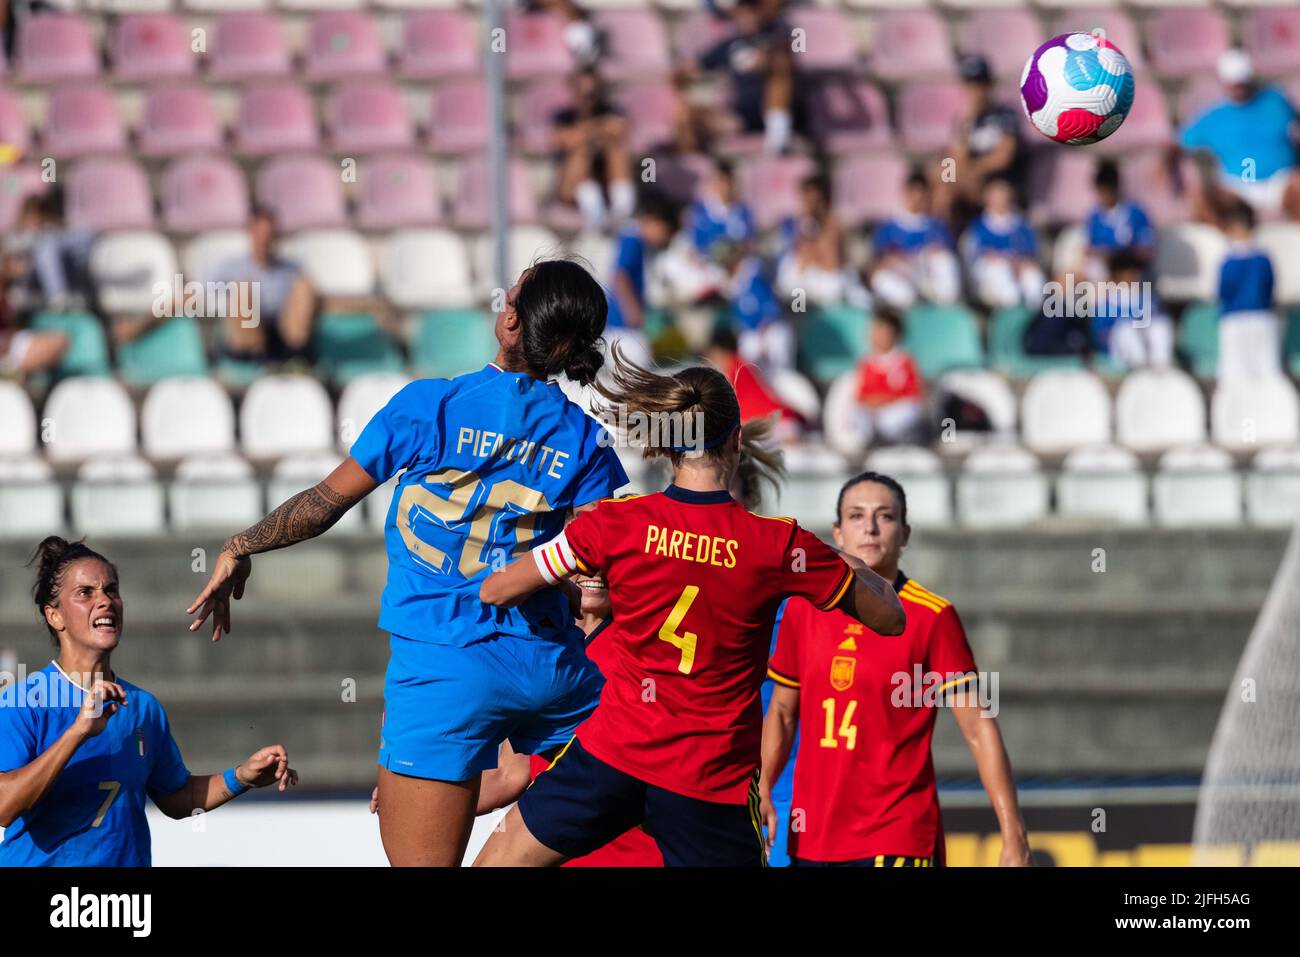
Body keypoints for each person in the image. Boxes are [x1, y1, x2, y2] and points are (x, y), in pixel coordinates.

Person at [186, 259, 629, 867]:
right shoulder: (586, 438)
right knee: (653, 776)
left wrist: (241, 546)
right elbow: (602, 564)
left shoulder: (430, 405)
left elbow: (321, 505)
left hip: (444, 669)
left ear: (509, 320)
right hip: (553, 674)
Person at [472, 349, 905, 866]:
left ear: (668, 445)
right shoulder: (777, 546)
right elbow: (891, 618)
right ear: (738, 442)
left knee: (499, 862)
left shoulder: (615, 524)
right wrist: (840, 562)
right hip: (709, 780)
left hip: (614, 756)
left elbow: (496, 591)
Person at [761, 473, 1030, 867]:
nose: (869, 527)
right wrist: (763, 788)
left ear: (904, 533)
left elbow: (978, 727)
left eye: (884, 516)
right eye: (856, 516)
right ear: (837, 531)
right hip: (812, 839)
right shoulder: (804, 610)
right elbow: (782, 713)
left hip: (896, 836)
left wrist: (1014, 834)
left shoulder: (932, 616)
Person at [0, 537, 297, 866]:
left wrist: (240, 777)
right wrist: (78, 732)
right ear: (54, 616)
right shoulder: (24, 702)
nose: (105, 601)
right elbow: (4, 806)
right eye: (86, 593)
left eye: (111, 590)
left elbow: (175, 797)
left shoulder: (142, 706)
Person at [1180, 50, 1300, 223]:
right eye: (1235, 84)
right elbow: (1182, 142)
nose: (1240, 88)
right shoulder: (1215, 117)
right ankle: (1231, 245)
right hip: (1238, 186)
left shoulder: (1275, 100)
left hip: (1280, 183)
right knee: (1200, 200)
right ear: (1225, 83)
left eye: (1242, 82)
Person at [677, 0, 795, 155]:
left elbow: (786, 57)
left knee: (779, 77)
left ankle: (777, 140)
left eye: (751, 8)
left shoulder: (778, 32)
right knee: (687, 114)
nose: (745, 14)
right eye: (741, 9)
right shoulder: (730, 45)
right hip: (741, 117)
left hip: (775, 110)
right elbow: (692, 69)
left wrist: (766, 59)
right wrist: (679, 81)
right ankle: (694, 166)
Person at [208, 206, 317, 366]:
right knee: (242, 289)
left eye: (269, 235)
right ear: (251, 233)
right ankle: (251, 355)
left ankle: (296, 355)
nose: (264, 240)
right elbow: (202, 295)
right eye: (260, 234)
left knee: (304, 286)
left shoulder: (292, 268)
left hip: (283, 332)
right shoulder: (231, 267)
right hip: (246, 336)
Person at [937, 55, 1025, 226]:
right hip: (969, 180)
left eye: (979, 85)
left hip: (997, 179)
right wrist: (968, 121)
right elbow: (954, 158)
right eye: (969, 85)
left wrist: (974, 171)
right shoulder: (963, 120)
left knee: (997, 193)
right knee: (943, 184)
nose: (974, 91)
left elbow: (1003, 157)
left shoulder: (1005, 115)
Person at [551, 67, 635, 231]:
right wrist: (598, 130)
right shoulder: (563, 116)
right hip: (573, 185)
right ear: (574, 91)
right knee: (581, 151)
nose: (588, 98)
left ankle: (622, 207)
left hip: (606, 180)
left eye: (592, 93)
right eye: (584, 93)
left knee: (616, 149)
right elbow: (565, 140)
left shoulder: (611, 110)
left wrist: (588, 131)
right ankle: (597, 216)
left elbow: (621, 129)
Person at [869, 169, 961, 310]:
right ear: (905, 194)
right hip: (902, 277)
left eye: (921, 195)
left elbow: (946, 258)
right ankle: (913, 308)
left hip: (929, 277)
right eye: (913, 194)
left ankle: (946, 308)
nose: (917, 200)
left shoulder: (938, 227)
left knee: (945, 261)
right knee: (881, 278)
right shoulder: (887, 228)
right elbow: (877, 263)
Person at [605, 195, 678, 368]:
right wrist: (633, 310)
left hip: (623, 329)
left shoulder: (636, 242)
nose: (663, 239)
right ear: (654, 222)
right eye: (664, 231)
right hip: (622, 329)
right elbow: (620, 276)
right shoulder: (632, 241)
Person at [704, 325, 804, 442]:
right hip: (782, 420)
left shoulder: (732, 368)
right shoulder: (742, 363)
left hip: (771, 424)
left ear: (718, 350)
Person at [1216, 200, 1279, 379]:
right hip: (1249, 320)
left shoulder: (1230, 262)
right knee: (1244, 373)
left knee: (1262, 373)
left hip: (1246, 321)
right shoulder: (1263, 259)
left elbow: (1223, 291)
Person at [964, 174, 1045, 310]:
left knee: (1033, 276)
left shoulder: (1023, 226)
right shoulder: (977, 228)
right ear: (986, 196)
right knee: (998, 269)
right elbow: (973, 259)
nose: (1000, 197)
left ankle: (1032, 315)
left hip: (1019, 271)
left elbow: (1033, 255)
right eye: (995, 192)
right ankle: (1011, 314)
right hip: (990, 278)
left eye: (1003, 191)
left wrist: (1019, 264)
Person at [776, 174, 853, 308]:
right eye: (804, 198)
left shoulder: (835, 225)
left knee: (834, 287)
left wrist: (814, 255)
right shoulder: (798, 224)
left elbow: (832, 263)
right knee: (793, 281)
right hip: (808, 277)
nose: (807, 202)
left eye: (812, 198)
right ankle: (798, 315)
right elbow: (801, 260)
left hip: (827, 278)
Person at [1091, 248, 1172, 371]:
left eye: (1135, 271)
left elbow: (1154, 322)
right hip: (1117, 353)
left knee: (1161, 326)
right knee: (1126, 330)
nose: (1132, 276)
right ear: (1116, 274)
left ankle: (1161, 368)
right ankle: (1140, 370)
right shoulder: (1105, 302)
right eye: (1127, 271)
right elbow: (1101, 334)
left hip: (1147, 347)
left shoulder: (1147, 298)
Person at [854, 311, 926, 446]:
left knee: (904, 413)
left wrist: (884, 402)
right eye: (875, 330)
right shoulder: (866, 362)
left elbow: (912, 396)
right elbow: (861, 395)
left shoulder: (905, 361)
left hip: (894, 413)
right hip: (871, 414)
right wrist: (872, 405)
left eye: (883, 331)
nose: (877, 336)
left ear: (895, 335)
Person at [1081, 159, 1155, 281]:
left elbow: (1147, 250)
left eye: (1107, 191)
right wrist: (1106, 255)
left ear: (1116, 189)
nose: (1104, 196)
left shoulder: (1136, 213)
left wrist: (1125, 254)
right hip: (1104, 270)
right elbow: (1089, 249)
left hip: (1132, 268)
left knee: (1131, 276)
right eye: (1101, 191)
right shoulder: (1094, 217)